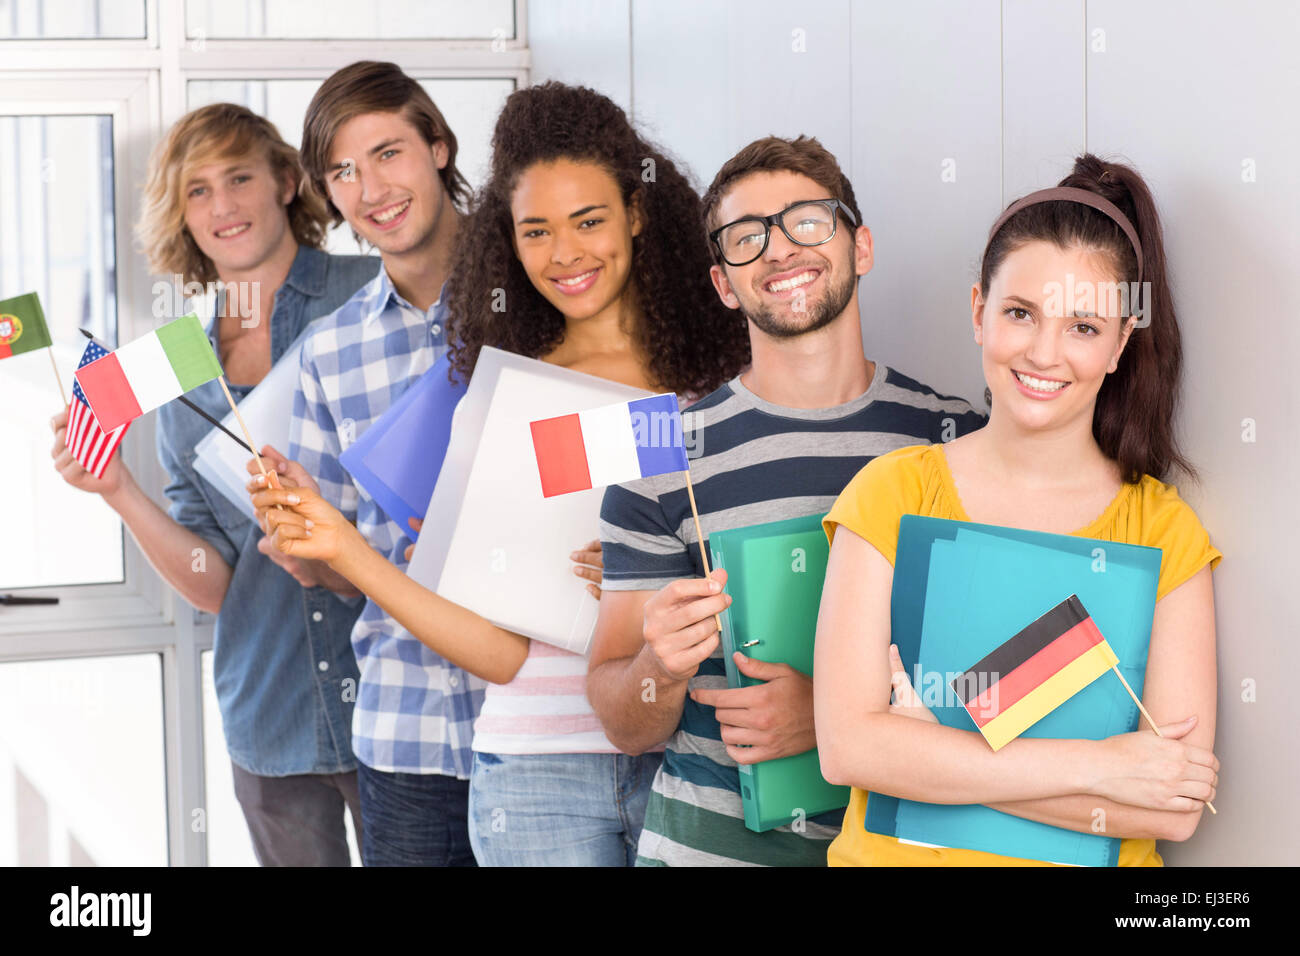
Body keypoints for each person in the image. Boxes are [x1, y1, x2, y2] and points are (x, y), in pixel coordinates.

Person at [252, 82, 752, 865]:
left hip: (698, 761)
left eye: (589, 221)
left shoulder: (720, 375)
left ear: (638, 212)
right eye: (536, 231)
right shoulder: (502, 393)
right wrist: (345, 551)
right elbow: (499, 652)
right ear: (508, 243)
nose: (567, 254)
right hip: (538, 774)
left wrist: (647, 576)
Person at [585, 135, 987, 866]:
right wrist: (659, 667)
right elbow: (624, 723)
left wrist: (835, 718)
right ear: (723, 284)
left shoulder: (956, 438)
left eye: (806, 220)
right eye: (746, 238)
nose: (778, 250)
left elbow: (1009, 676)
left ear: (860, 246)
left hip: (909, 848)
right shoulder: (656, 449)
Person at [813, 154, 1222, 866]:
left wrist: (923, 751)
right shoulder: (890, 495)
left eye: (1083, 327)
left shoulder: (1163, 532)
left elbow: (1175, 807)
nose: (1044, 353)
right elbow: (848, 748)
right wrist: (1101, 767)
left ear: (1123, 342)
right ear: (979, 313)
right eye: (1020, 313)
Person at [49, 103, 379, 865]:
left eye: (238, 178)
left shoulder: (371, 295)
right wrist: (118, 491)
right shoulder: (173, 368)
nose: (222, 206)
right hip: (271, 715)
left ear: (288, 182)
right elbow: (214, 583)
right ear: (182, 217)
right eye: (198, 190)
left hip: (400, 695)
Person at [242, 60, 480, 866]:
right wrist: (310, 539)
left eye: (387, 153)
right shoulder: (330, 349)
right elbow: (342, 571)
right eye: (341, 170)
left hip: (547, 723)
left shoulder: (541, 294)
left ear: (439, 147)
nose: (369, 187)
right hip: (404, 734)